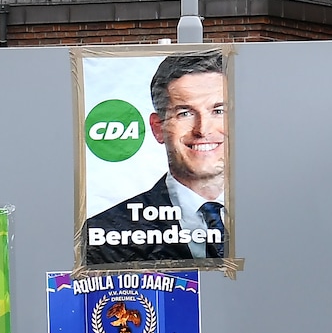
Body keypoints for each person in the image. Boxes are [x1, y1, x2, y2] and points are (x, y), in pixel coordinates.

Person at [81, 52, 229, 264]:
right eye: (185, 113)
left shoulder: (277, 214)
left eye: (219, 110)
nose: (203, 129)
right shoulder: (103, 232)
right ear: (157, 129)